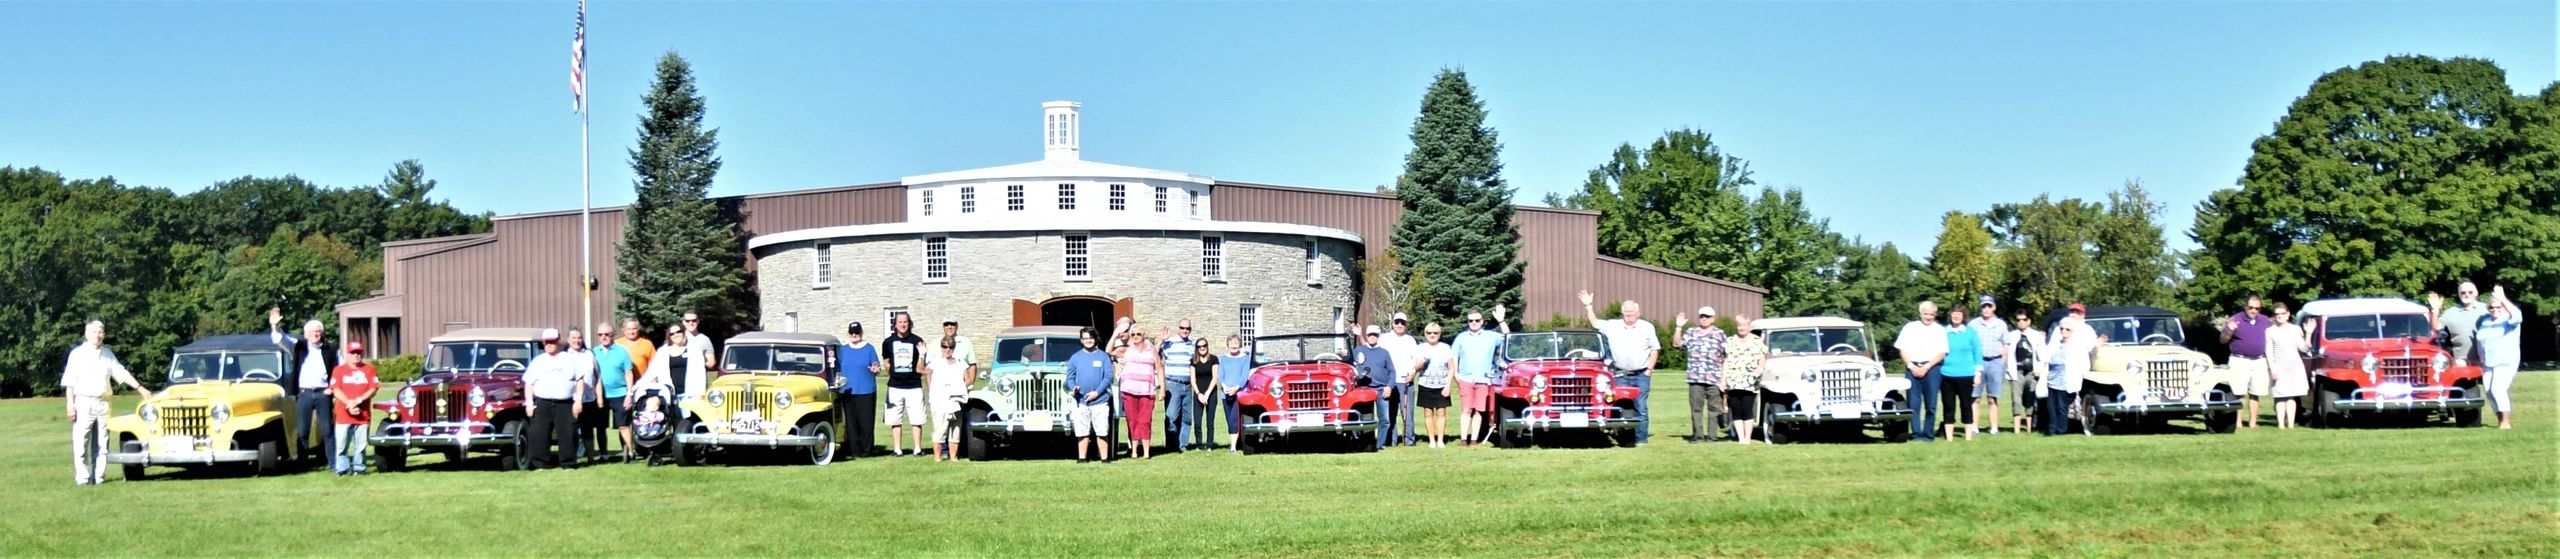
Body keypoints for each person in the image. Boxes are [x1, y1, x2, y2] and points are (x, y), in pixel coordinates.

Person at [62, 321, 151, 486]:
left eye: (101, 332)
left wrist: (141, 389)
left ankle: (99, 477)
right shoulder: (77, 354)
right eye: (95, 332)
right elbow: (70, 382)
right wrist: (70, 405)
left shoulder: (108, 354)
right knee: (81, 441)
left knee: (103, 442)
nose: (98, 335)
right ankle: (83, 477)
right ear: (87, 334)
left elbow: (122, 374)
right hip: (83, 401)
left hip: (104, 402)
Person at [1580, 290, 1661, 446]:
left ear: (1638, 313)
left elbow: (1655, 349)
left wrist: (1649, 370)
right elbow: (1596, 323)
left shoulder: (1647, 327)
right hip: (1620, 374)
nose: (1628, 316)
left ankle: (1641, 438)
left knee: (1641, 407)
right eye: (1625, 313)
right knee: (1620, 406)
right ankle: (1625, 437)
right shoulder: (1613, 326)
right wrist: (1589, 306)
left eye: (1631, 313)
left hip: (1641, 374)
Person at [269, 308, 339, 461]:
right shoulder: (298, 346)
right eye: (313, 332)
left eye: (318, 332)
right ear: (306, 334)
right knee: (302, 431)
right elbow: (280, 339)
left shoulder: (331, 349)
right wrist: (275, 326)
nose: (316, 334)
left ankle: (335, 464)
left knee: (327, 430)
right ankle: (302, 463)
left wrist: (333, 389)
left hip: (323, 393)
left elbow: (339, 370)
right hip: (304, 394)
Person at [521, 328, 583, 470]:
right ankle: (540, 464)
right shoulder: (538, 361)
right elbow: (529, 383)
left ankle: (568, 464)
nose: (549, 345)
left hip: (565, 403)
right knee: (540, 434)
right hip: (543, 402)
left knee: (567, 433)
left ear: (559, 341)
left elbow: (579, 380)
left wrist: (578, 400)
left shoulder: (569, 359)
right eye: (547, 342)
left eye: (552, 342)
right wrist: (529, 403)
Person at [1451, 306, 1510, 446]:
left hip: (1484, 379)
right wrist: (1456, 374)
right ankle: (1463, 439)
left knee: (1479, 410)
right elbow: (1454, 356)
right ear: (1468, 322)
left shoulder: (1491, 336)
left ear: (1482, 321)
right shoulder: (1461, 337)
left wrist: (1501, 321)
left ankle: (1474, 439)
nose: (1474, 323)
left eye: (1477, 320)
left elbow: (1508, 337)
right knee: (1466, 409)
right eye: (1471, 320)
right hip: (1465, 378)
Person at [1893, 301, 1950, 442]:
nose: (1928, 317)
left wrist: (1926, 367)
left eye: (1931, 314)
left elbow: (1942, 352)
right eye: (1926, 314)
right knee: (1913, 403)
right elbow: (1902, 349)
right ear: (1920, 313)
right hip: (1912, 368)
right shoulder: (1909, 328)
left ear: (1935, 314)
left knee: (1931, 404)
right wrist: (1912, 366)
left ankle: (1928, 434)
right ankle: (1916, 433)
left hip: (1932, 369)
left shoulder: (1939, 330)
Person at [1675, 306, 1728, 443]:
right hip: (1695, 377)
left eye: (1707, 316)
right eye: (1702, 316)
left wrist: (1723, 378)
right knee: (1696, 409)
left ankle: (1712, 436)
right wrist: (1678, 327)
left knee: (1714, 409)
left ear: (1713, 318)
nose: (1704, 319)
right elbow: (1676, 345)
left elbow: (1727, 357)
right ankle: (1698, 436)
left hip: (1714, 378)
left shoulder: (1720, 334)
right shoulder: (1691, 332)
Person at [2474, 285, 2524, 430]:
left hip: (2506, 361)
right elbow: (2480, 340)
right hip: (2488, 362)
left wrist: (2502, 298)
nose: (2495, 310)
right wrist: (2480, 357)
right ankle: (2499, 419)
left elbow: (2517, 315)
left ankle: (2506, 422)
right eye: (2492, 308)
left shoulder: (2510, 320)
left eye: (2498, 307)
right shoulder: (2485, 322)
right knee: (2489, 392)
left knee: (2498, 389)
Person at [2219, 295, 2272, 430]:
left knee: (2256, 393)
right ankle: (2238, 423)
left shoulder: (2265, 321)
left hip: (2259, 360)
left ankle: (2253, 423)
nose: (2254, 311)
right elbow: (2223, 340)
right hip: (2239, 360)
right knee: (2238, 392)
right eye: (2251, 307)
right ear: (2245, 307)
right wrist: (2229, 330)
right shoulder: (2235, 319)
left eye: (2257, 308)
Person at [879, 313, 928, 457]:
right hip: (895, 386)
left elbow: (921, 367)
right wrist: (893, 374)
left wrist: (922, 355)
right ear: (895, 324)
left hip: (914, 385)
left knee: (917, 419)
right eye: (900, 322)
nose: (903, 325)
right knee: (895, 419)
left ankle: (917, 449)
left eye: (905, 322)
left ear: (909, 323)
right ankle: (897, 449)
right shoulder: (888, 342)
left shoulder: (917, 341)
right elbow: (886, 362)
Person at [329, 341, 381, 475]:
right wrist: (349, 403)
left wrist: (358, 401)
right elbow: (336, 390)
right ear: (347, 355)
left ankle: (359, 468)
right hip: (343, 414)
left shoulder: (369, 369)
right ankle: (342, 469)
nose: (356, 356)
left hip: (362, 414)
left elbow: (373, 389)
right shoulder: (339, 370)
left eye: (359, 353)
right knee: (341, 445)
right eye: (353, 353)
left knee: (361, 445)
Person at [2048, 305, 2101, 436]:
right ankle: (2057, 429)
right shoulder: (2058, 329)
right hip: (2058, 372)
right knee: (2057, 404)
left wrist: (2097, 345)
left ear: (2083, 315)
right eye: (2072, 311)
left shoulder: (2087, 330)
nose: (2074, 314)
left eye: (2077, 312)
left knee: (2074, 401)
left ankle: (2082, 425)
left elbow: (2092, 350)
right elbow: (2051, 348)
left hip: (2080, 371)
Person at [834, 321, 882, 459]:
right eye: (852, 333)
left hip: (866, 390)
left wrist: (875, 370)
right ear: (848, 334)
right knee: (851, 423)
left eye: (857, 332)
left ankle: (866, 451)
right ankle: (854, 450)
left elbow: (876, 368)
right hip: (848, 391)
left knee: (866, 422)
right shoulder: (843, 350)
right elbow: (838, 369)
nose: (854, 335)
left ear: (861, 333)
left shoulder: (869, 349)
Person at [1067, 327, 1115, 462]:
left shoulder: (1103, 356)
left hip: (1100, 400)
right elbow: (1069, 379)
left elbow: (1108, 377)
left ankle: (1105, 458)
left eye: (1091, 338)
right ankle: (1082, 458)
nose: (1088, 341)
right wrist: (1073, 387)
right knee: (1082, 431)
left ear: (1095, 339)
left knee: (1102, 430)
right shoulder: (1075, 358)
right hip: (1080, 402)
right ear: (1081, 340)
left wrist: (1097, 392)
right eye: (1085, 338)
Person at [1115, 330, 1163, 460]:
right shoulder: (1126, 350)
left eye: (1138, 334)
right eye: (1133, 334)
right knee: (1133, 420)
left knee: (1145, 421)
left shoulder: (1151, 351)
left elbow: (1159, 368)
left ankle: (1147, 452)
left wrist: (1162, 389)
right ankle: (1134, 451)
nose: (1136, 336)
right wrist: (1116, 334)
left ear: (1144, 336)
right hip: (1129, 390)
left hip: (1147, 390)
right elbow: (1109, 351)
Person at [1969, 296, 2013, 435]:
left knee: (1992, 397)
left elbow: (2006, 343)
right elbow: (1969, 344)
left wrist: (2002, 361)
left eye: (1989, 306)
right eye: (1984, 306)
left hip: (1995, 362)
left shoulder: (2001, 324)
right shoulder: (1973, 324)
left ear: (1994, 307)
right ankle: (1974, 427)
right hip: (1978, 363)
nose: (1986, 309)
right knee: (1975, 397)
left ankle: (1994, 428)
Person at [1721, 316, 1768, 444]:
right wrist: (1723, 379)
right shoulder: (1730, 341)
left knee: (1747, 409)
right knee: (1736, 410)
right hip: (1734, 380)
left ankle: (1748, 438)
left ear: (1749, 327)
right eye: (1739, 325)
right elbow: (1726, 361)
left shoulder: (1757, 341)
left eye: (1744, 325)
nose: (1742, 328)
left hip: (1750, 381)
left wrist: (1760, 368)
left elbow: (1763, 357)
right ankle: (1741, 438)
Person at [927, 336, 974, 462]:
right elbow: (927, 374)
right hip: (939, 400)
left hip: (956, 400)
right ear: (941, 347)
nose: (947, 350)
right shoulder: (935, 362)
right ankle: (937, 458)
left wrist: (959, 388)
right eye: (944, 347)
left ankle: (954, 457)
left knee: (956, 429)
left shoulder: (960, 362)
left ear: (954, 348)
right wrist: (932, 390)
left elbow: (968, 379)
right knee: (940, 429)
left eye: (950, 347)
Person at [1378, 313, 1422, 447]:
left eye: (1402, 323)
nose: (1399, 325)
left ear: (1406, 325)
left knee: (1407, 413)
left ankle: (1409, 440)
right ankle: (1390, 440)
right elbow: (1372, 349)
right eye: (1397, 322)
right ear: (1393, 323)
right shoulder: (1384, 338)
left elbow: (1418, 360)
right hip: (1389, 382)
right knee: (1389, 412)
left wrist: (1413, 373)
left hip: (1405, 380)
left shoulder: (1410, 340)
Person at [1158, 319, 1202, 452]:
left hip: (1188, 384)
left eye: (1188, 328)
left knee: (1186, 417)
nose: (1185, 330)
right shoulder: (1169, 343)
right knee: (1171, 416)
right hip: (1173, 384)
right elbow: (1154, 355)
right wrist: (1161, 340)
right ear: (1178, 328)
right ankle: (1171, 445)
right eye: (1182, 328)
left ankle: (1183, 445)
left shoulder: (1193, 345)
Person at [2265, 303, 2311, 430]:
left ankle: (2290, 424)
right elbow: (2268, 351)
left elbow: (2304, 348)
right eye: (2277, 314)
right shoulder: (2270, 331)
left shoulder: (2296, 329)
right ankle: (2280, 424)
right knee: (2280, 396)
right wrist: (2272, 367)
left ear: (2288, 314)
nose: (2279, 316)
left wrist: (2308, 334)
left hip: (2294, 366)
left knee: (2291, 395)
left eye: (2282, 314)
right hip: (2279, 366)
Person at [1940, 307, 1983, 441]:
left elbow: (1977, 353)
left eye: (1959, 314)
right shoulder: (1943, 332)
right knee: (1948, 406)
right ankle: (1949, 437)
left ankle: (1968, 437)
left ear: (1963, 316)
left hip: (1966, 374)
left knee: (1966, 405)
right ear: (1950, 316)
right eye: (1954, 314)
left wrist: (1978, 373)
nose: (1956, 317)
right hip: (1946, 374)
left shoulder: (1970, 333)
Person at [1415, 323, 1457, 448]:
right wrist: (1421, 363)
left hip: (1442, 385)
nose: (1432, 335)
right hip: (1425, 384)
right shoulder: (1421, 348)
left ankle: (1440, 440)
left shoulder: (1445, 348)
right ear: (1425, 334)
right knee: (1428, 413)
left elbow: (1451, 368)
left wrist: (1448, 386)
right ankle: (1432, 440)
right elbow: (1417, 367)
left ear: (1439, 334)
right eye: (1429, 333)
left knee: (1441, 413)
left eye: (1435, 333)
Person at [1354, 326, 1396, 450]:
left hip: (1381, 389)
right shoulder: (1358, 351)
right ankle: (1365, 443)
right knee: (1365, 418)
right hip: (1365, 389)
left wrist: (1389, 387)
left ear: (1378, 336)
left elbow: (1392, 372)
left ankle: (1380, 444)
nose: (1372, 337)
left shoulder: (1384, 353)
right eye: (1370, 335)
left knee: (1385, 419)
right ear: (1366, 336)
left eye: (1375, 335)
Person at [560, 328, 597, 465]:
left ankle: (591, 458)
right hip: (571, 399)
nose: (577, 341)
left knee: (587, 430)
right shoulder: (563, 356)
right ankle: (572, 457)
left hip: (588, 399)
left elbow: (597, 376)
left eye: (579, 338)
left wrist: (598, 397)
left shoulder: (589, 354)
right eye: (574, 338)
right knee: (571, 430)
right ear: (568, 340)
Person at [2433, 282, 2490, 366]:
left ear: (2476, 293)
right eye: (2463, 292)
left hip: (2486, 359)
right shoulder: (2450, 312)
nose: (2466, 295)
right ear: (2459, 294)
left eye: (2470, 292)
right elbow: (2436, 327)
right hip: (2462, 361)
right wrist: (2435, 310)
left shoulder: (2488, 309)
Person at [2008, 311, 2045, 434]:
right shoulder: (2012, 335)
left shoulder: (2036, 335)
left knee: (2030, 399)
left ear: (2029, 321)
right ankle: (2017, 430)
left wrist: (2039, 368)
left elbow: (2042, 355)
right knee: (2016, 399)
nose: (2021, 322)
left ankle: (2029, 428)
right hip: (2016, 370)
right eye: (2018, 320)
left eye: (2023, 319)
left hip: (2032, 371)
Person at [1215, 335, 1252, 452]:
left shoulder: (1245, 358)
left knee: (1234, 419)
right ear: (1228, 345)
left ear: (1240, 345)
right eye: (1231, 343)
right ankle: (1236, 443)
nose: (1234, 346)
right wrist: (1225, 387)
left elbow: (1245, 375)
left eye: (1236, 343)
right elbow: (1221, 375)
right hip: (1225, 393)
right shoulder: (1223, 359)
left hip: (1239, 393)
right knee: (1228, 419)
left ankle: (1233, 447)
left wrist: (1237, 388)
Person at [679, 312, 716, 399]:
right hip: (678, 384)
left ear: (698, 321)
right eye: (687, 321)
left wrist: (700, 356)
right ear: (683, 322)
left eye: (694, 320)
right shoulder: (677, 338)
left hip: (697, 385)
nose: (691, 323)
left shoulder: (704, 340)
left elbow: (711, 363)